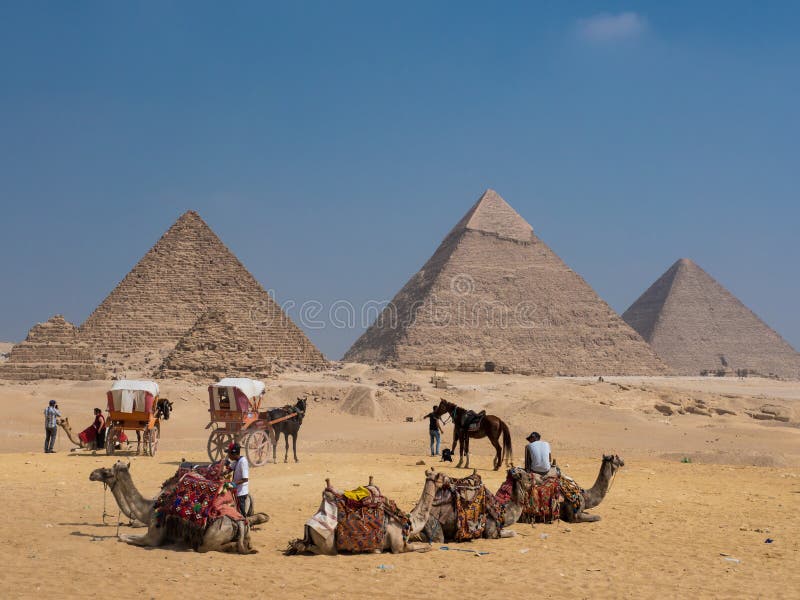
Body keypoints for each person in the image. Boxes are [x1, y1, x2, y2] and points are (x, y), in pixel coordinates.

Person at [226, 442, 249, 516]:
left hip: (241, 492)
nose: (228, 456)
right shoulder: (236, 461)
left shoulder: (243, 462)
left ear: (234, 454)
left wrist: (234, 484)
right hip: (236, 490)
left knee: (241, 513)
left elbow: (245, 479)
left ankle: (245, 524)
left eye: (229, 454)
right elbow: (229, 470)